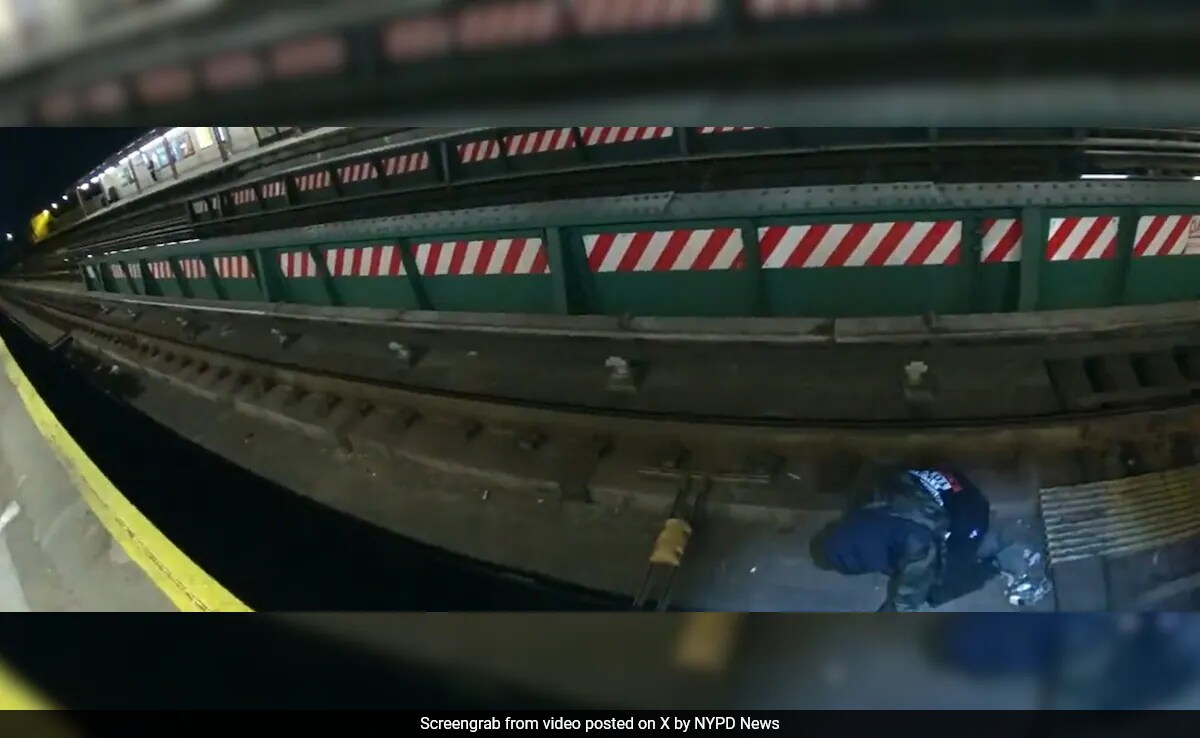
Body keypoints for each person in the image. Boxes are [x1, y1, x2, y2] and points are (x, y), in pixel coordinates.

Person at [811, 464, 1000, 612]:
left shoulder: (917, 543)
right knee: (905, 562)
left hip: (971, 512)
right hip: (938, 479)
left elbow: (906, 600)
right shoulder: (864, 499)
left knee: (936, 589)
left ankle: (994, 566)